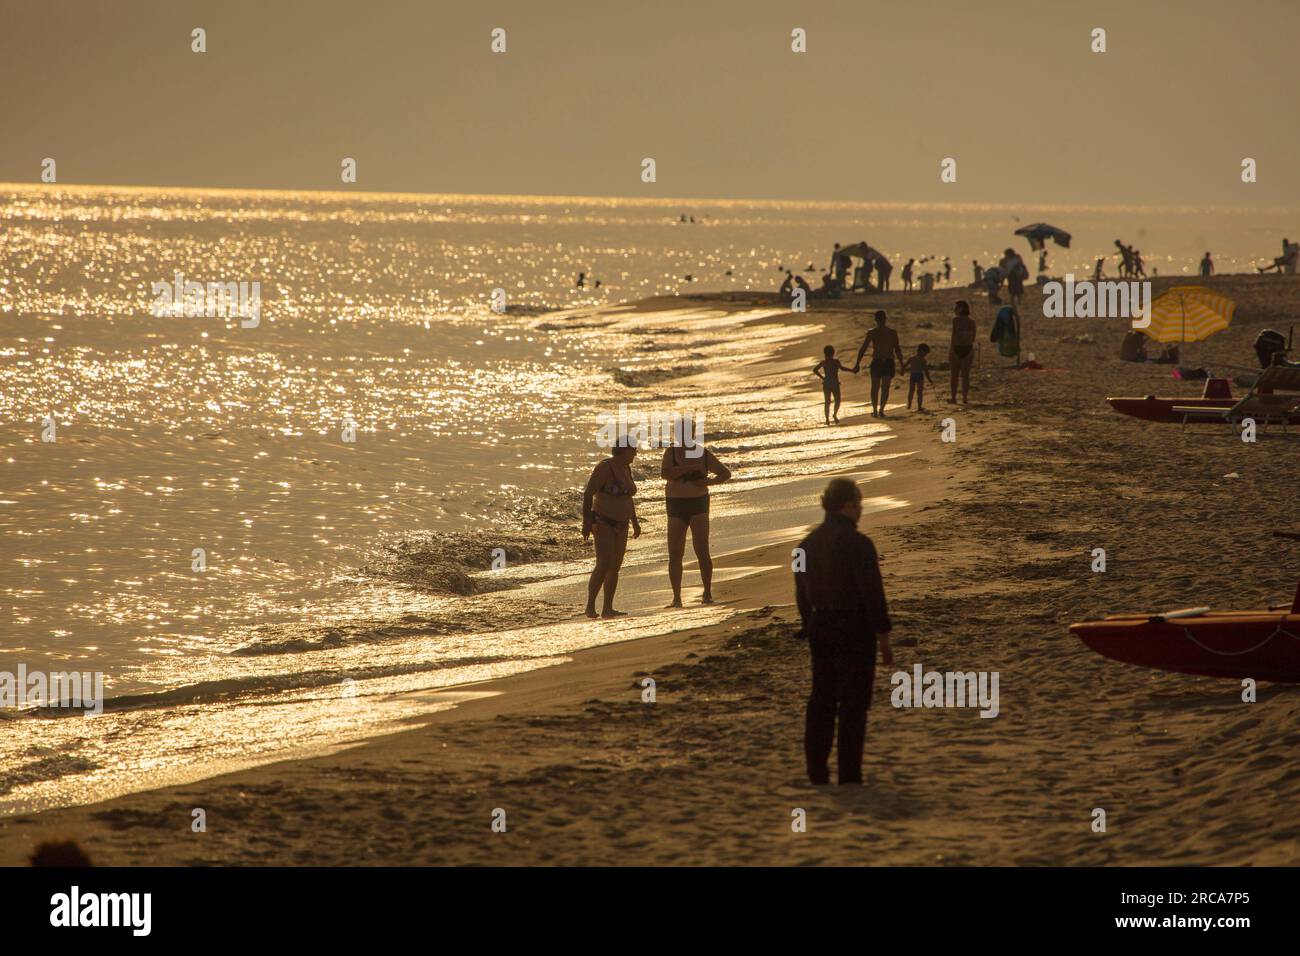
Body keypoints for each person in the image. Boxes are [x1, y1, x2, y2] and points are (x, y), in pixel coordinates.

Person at [794, 478, 893, 786]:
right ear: (847, 505)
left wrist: (808, 624)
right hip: (854, 626)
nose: (861, 509)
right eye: (858, 503)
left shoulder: (805, 546)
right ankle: (849, 774)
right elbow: (872, 593)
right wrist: (884, 638)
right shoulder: (859, 544)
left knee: (821, 699)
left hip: (820, 624)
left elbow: (802, 594)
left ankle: (817, 772)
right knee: (853, 703)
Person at [661, 442, 730, 608]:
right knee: (675, 552)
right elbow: (664, 473)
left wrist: (708, 482)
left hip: (698, 503)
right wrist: (686, 470)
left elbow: (725, 473)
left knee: (702, 549)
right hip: (675, 504)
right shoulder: (671, 452)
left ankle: (707, 593)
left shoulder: (703, 453)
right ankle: (676, 597)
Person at [581, 442, 641, 618]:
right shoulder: (604, 467)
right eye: (633, 450)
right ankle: (590, 606)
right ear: (623, 450)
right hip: (602, 520)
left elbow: (628, 498)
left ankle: (608, 607)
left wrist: (635, 522)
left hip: (622, 523)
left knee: (615, 566)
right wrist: (586, 523)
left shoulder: (626, 468)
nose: (635, 453)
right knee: (603, 563)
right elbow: (588, 494)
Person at [852, 310, 906, 417]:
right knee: (885, 388)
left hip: (877, 362)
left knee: (875, 388)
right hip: (888, 362)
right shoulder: (892, 333)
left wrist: (857, 363)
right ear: (885, 319)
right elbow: (897, 350)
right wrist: (902, 364)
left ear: (875, 320)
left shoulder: (872, 332)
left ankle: (875, 410)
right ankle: (881, 410)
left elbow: (863, 349)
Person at [814, 345, 850, 425]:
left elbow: (815, 370)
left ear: (825, 353)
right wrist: (852, 370)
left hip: (826, 383)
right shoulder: (835, 362)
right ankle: (834, 415)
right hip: (834, 383)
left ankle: (827, 419)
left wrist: (823, 378)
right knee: (837, 400)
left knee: (827, 402)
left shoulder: (823, 362)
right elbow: (842, 368)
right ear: (833, 353)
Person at [949, 299, 976, 403]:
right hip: (967, 348)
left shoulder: (956, 320)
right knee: (965, 376)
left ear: (961, 309)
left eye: (956, 308)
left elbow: (953, 336)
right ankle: (964, 398)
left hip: (958, 348)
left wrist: (952, 350)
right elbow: (973, 337)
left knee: (955, 376)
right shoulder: (972, 322)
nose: (954, 310)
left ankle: (954, 398)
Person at [903, 343, 934, 411]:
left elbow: (904, 366)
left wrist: (902, 371)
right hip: (918, 376)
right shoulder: (922, 360)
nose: (925, 355)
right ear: (922, 351)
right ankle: (916, 406)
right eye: (925, 353)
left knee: (913, 391)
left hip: (914, 375)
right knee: (918, 391)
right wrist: (929, 379)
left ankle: (911, 405)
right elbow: (926, 370)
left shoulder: (912, 358)